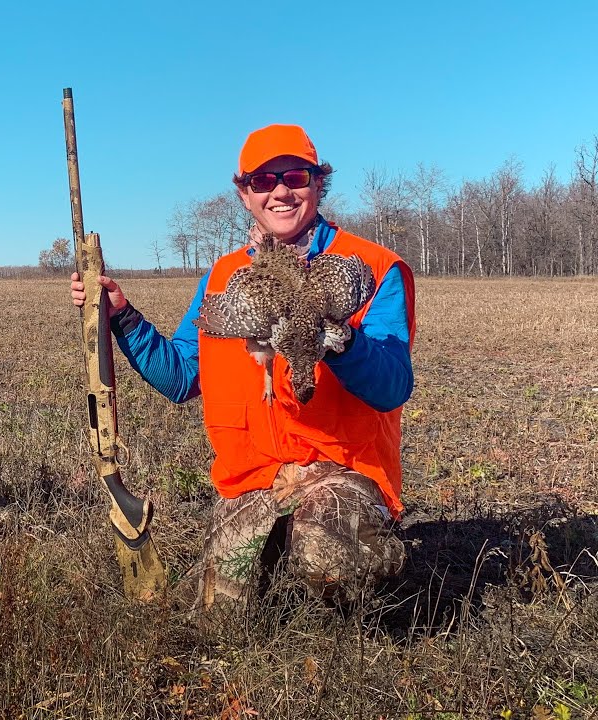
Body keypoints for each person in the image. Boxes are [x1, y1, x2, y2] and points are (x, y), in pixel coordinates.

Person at [71, 124, 414, 613]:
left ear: (318, 183)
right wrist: (121, 316)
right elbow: (184, 376)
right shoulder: (226, 277)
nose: (279, 190)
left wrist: (335, 337)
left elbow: (393, 386)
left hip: (342, 471)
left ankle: (373, 590)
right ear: (244, 193)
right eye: (262, 180)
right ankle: (277, 555)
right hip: (255, 478)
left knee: (331, 555)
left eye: (294, 176)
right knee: (220, 616)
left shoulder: (371, 267)